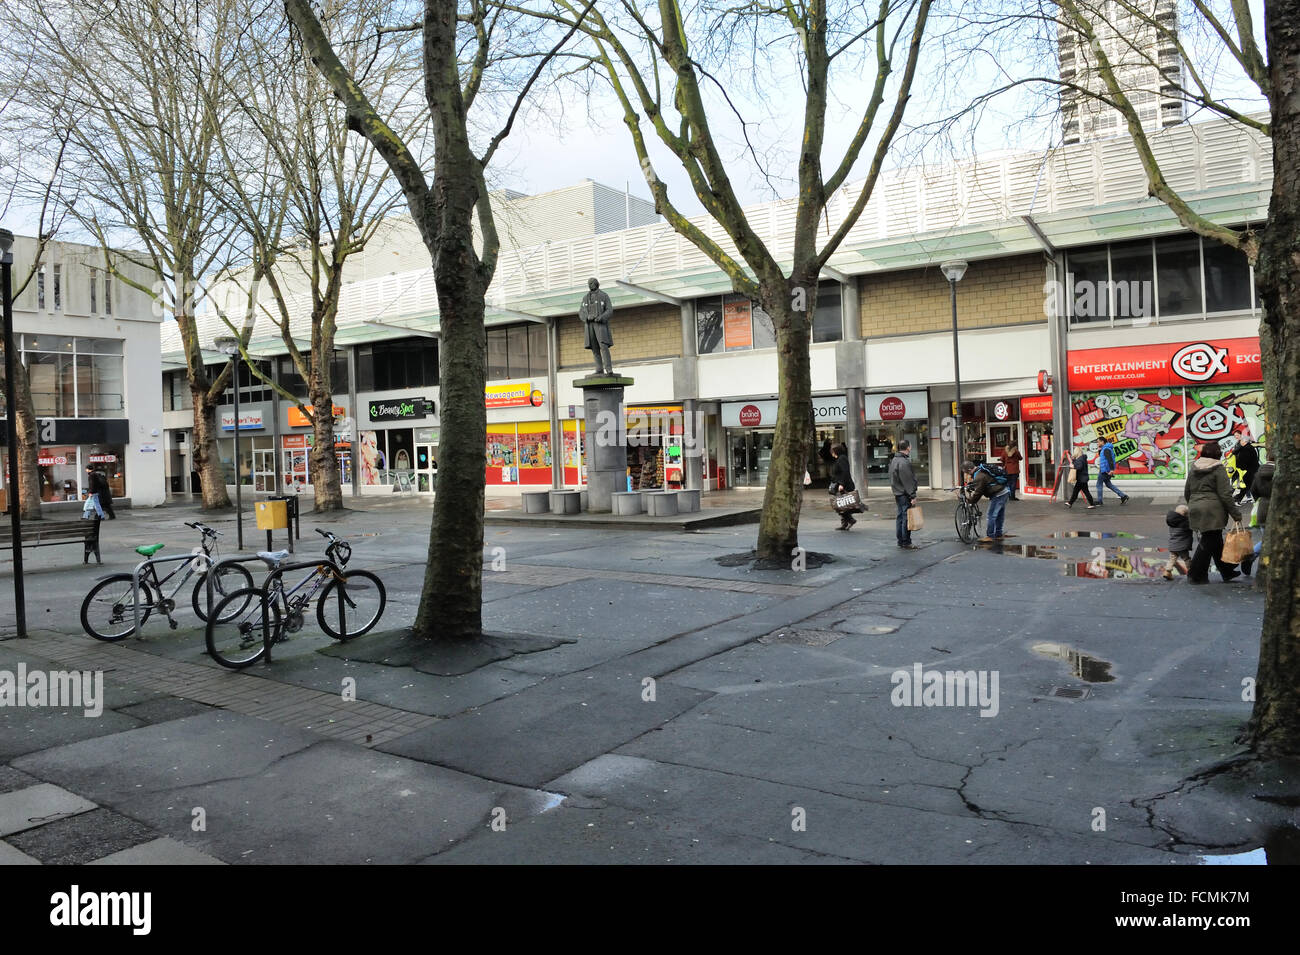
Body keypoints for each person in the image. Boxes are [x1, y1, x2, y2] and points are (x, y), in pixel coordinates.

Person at [1183, 443, 1243, 585]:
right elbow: (1225, 494)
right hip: (1213, 510)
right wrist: (1235, 514)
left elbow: (1187, 491)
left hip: (1195, 506)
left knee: (1215, 540)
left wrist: (1193, 504)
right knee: (1209, 540)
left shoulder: (1194, 467)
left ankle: (1226, 571)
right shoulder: (1218, 469)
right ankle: (1195, 574)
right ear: (1217, 454)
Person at [965, 459, 1012, 542]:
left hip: (998, 494)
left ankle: (990, 536)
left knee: (991, 515)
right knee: (999, 514)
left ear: (969, 470)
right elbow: (985, 482)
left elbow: (978, 492)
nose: (967, 475)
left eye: (966, 472)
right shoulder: (981, 470)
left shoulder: (979, 475)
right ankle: (998, 533)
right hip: (1004, 491)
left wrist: (971, 501)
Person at [1241, 460, 1274, 577]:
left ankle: (1251, 556)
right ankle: (1251, 555)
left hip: (1263, 509)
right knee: (1270, 540)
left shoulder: (1258, 474)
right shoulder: (1282, 473)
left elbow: (1253, 493)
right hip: (1278, 509)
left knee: (1267, 538)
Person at [578, 277, 615, 375]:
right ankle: (599, 368)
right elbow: (581, 312)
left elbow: (609, 310)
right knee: (595, 348)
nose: (590, 285)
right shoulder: (585, 298)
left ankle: (609, 368)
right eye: (589, 283)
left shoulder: (604, 296)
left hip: (600, 325)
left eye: (591, 283)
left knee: (603, 347)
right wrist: (587, 317)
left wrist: (602, 317)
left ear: (596, 283)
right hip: (590, 326)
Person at [889, 438, 919, 548]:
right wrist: (913, 495)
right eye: (910, 446)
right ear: (908, 447)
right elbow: (908, 480)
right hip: (904, 493)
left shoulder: (894, 460)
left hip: (898, 492)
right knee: (906, 517)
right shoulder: (903, 462)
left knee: (900, 517)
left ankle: (901, 540)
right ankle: (906, 541)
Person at [829, 443, 858, 530]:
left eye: (832, 451)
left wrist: (841, 484)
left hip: (844, 486)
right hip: (839, 485)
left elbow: (845, 472)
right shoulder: (839, 459)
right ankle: (845, 523)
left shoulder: (842, 459)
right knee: (841, 504)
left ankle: (850, 520)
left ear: (835, 451)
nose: (831, 453)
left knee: (840, 505)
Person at [1095, 436, 1130, 506]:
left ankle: (1099, 501)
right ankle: (1123, 496)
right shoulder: (1104, 449)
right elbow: (1103, 458)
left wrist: (1111, 470)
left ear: (1102, 442)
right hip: (1106, 470)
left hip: (1105, 470)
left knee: (1099, 484)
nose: (1097, 443)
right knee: (1108, 484)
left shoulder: (1106, 449)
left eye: (1098, 442)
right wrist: (1099, 450)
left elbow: (1110, 460)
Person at [1162, 504, 1191, 580]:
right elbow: (1191, 528)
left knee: (1172, 559)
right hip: (1182, 546)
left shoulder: (1171, 521)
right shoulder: (1185, 523)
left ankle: (1167, 571)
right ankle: (1191, 571)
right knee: (1186, 559)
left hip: (1173, 545)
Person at [1232, 433, 1260, 505]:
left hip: (1247, 471)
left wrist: (1240, 468)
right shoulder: (1248, 448)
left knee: (1248, 486)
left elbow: (1243, 460)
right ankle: (1238, 499)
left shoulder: (1246, 449)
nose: (1240, 442)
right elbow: (1235, 452)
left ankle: (1237, 499)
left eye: (1242, 441)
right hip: (1250, 470)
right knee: (1248, 486)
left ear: (1245, 442)